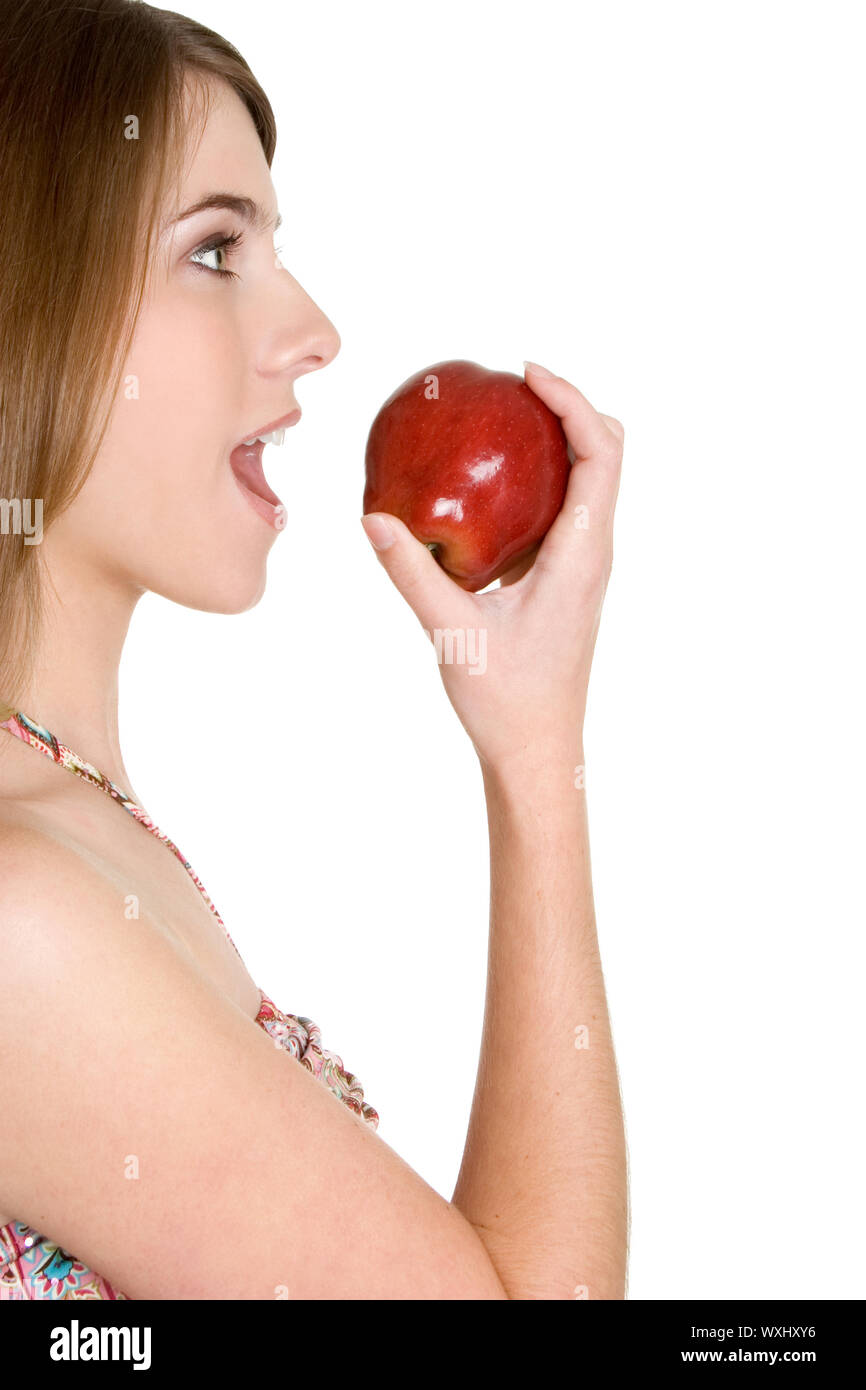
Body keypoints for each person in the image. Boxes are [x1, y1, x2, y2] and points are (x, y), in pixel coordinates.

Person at [0, 0, 627, 1300]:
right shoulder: (25, 917)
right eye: (214, 248)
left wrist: (524, 727)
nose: (317, 329)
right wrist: (537, 762)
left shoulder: (79, 830)